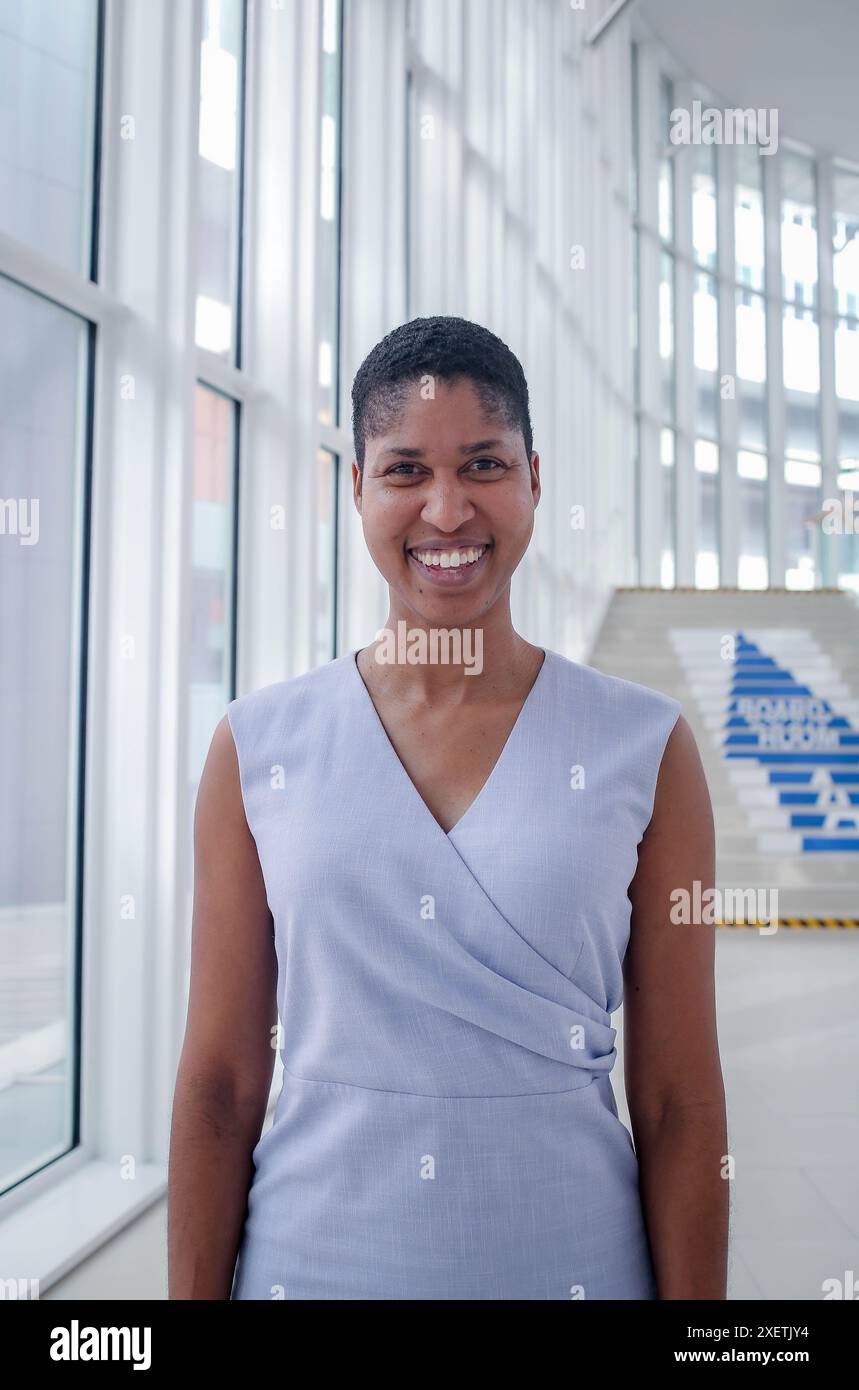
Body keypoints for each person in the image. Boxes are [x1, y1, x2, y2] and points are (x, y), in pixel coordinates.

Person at [168, 315, 728, 1300]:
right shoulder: (258, 748)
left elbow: (679, 1100)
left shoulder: (644, 747)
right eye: (404, 471)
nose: (446, 509)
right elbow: (220, 1086)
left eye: (482, 464)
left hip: (574, 1264)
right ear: (356, 487)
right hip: (314, 1265)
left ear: (533, 479)